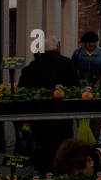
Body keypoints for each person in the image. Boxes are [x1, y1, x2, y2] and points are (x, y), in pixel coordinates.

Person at [17, 38, 78, 171]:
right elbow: (75, 88)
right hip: (62, 114)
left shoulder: (31, 66)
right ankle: (63, 172)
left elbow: (22, 90)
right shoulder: (67, 63)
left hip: (39, 117)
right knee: (63, 148)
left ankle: (43, 176)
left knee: (43, 148)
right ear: (57, 48)